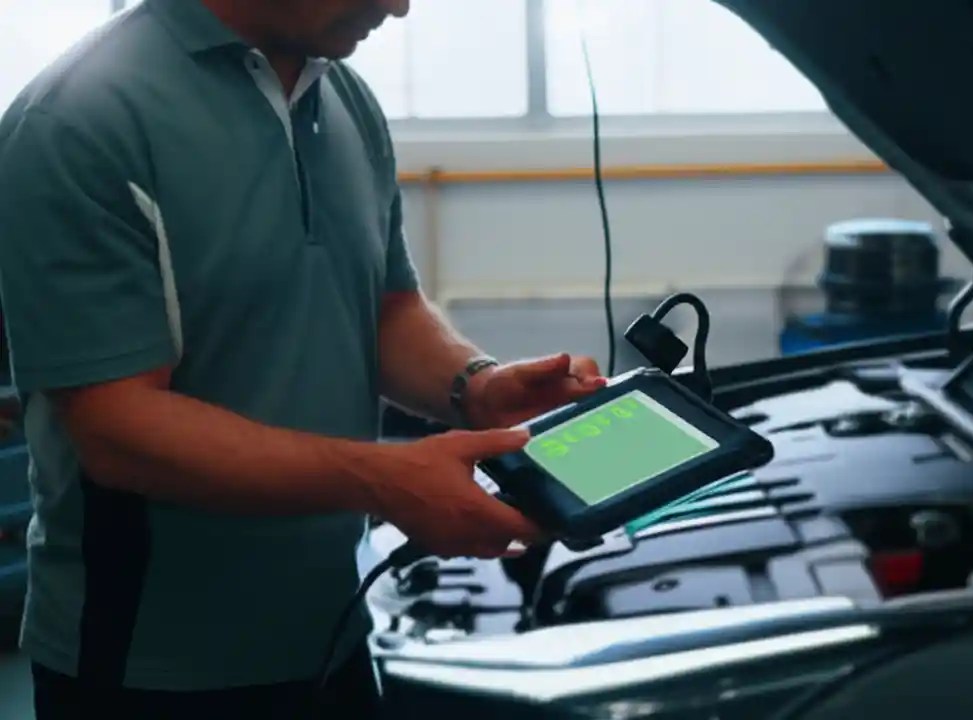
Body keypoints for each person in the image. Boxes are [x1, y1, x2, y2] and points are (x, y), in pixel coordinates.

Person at [0, 0, 606, 717]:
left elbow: (385, 307)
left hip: (336, 634)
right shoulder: (77, 123)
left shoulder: (340, 92)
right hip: (150, 668)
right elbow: (117, 431)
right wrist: (383, 480)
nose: (400, 5)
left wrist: (476, 386)